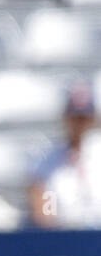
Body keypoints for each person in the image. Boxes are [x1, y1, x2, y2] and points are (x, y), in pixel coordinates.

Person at [27, 82, 101, 229]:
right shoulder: (46, 161)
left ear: (93, 119)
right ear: (65, 118)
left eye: (84, 118)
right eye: (74, 117)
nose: (79, 124)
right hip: (64, 236)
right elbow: (44, 212)